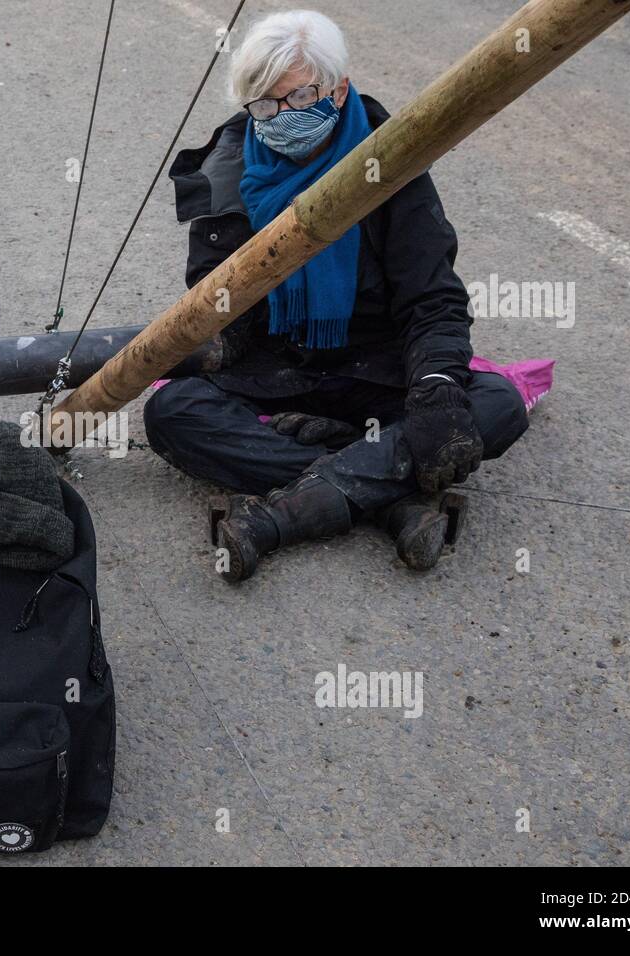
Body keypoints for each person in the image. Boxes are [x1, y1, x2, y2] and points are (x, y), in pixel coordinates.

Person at [148, 10, 528, 582]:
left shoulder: (393, 161)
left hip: (376, 370)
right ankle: (385, 492)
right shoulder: (227, 172)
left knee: (497, 404)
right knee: (172, 412)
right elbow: (212, 297)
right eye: (264, 105)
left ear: (338, 87)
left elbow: (434, 300)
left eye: (299, 96)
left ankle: (285, 515)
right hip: (278, 374)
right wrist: (221, 337)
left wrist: (435, 389)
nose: (282, 117)